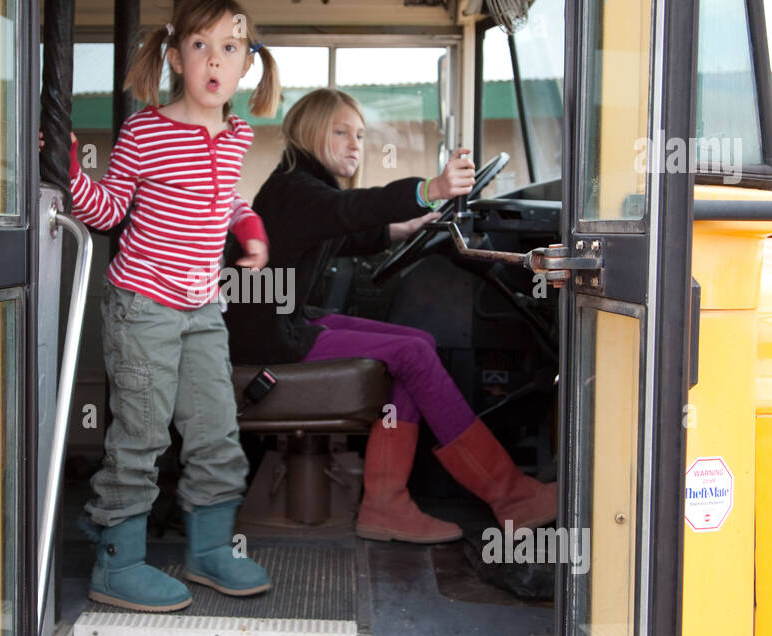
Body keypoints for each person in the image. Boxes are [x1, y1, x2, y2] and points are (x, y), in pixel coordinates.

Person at [224, 88, 555, 543]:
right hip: (266, 339)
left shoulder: (303, 191)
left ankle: (386, 503)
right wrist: (429, 189)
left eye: (359, 134)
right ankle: (508, 495)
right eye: (339, 131)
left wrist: (419, 221)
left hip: (278, 325)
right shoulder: (297, 191)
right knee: (413, 351)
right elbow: (353, 210)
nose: (354, 143)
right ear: (307, 132)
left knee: (416, 346)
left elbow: (358, 232)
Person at [54, 0, 282, 611]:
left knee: (215, 430)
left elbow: (225, 200)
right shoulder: (146, 129)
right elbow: (108, 211)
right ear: (177, 57)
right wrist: (73, 172)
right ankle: (117, 561)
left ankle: (209, 552)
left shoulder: (237, 134)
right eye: (201, 45)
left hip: (203, 308)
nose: (215, 60)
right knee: (142, 433)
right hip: (143, 304)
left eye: (229, 48)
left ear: (246, 65)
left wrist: (251, 230)